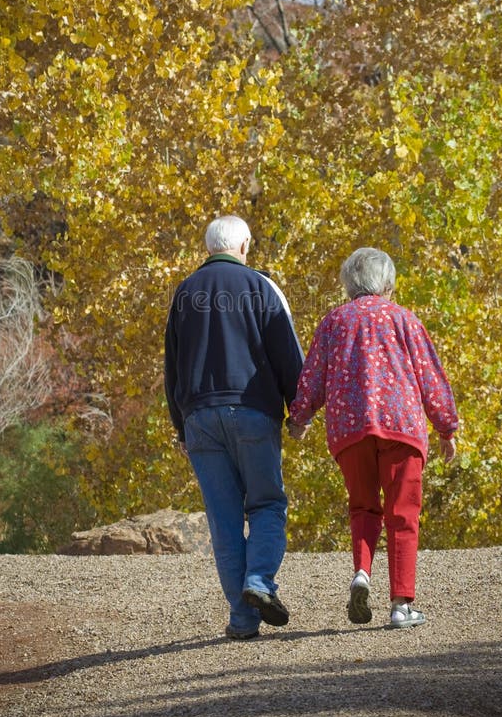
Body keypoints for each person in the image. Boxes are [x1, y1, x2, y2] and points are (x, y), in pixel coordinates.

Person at [288, 247, 458, 629]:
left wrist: (299, 418)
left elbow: (312, 378)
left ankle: (362, 573)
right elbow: (430, 377)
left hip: (350, 429)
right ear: (388, 283)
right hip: (400, 426)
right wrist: (446, 426)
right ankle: (400, 606)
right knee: (403, 515)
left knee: (363, 507)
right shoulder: (404, 319)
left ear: (349, 285)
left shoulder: (333, 322)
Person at [164, 215, 304, 641]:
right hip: (252, 409)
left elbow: (171, 367)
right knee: (266, 505)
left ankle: (242, 622)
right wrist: (300, 410)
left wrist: (180, 427)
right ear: (245, 245)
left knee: (223, 523)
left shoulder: (183, 294)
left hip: (199, 419)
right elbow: (286, 351)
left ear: (209, 247)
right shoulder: (262, 287)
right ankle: (259, 581)